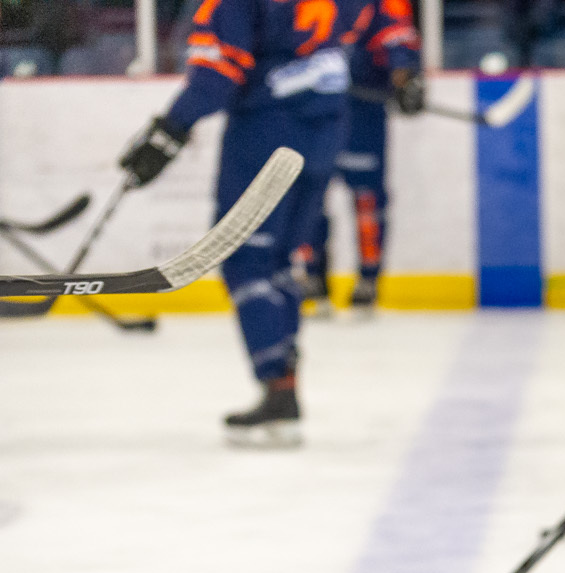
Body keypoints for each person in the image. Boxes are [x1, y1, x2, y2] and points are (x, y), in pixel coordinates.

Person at [116, 0, 374, 446]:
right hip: (325, 132)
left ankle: (277, 383)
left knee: (246, 262)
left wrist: (170, 129)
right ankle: (285, 383)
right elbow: (357, 26)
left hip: (267, 137)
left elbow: (216, 79)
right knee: (279, 262)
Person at [299, 0, 425, 317]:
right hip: (310, 108)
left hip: (361, 113)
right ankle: (313, 277)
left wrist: (405, 74)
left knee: (366, 196)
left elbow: (397, 35)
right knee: (309, 194)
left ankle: (368, 281)